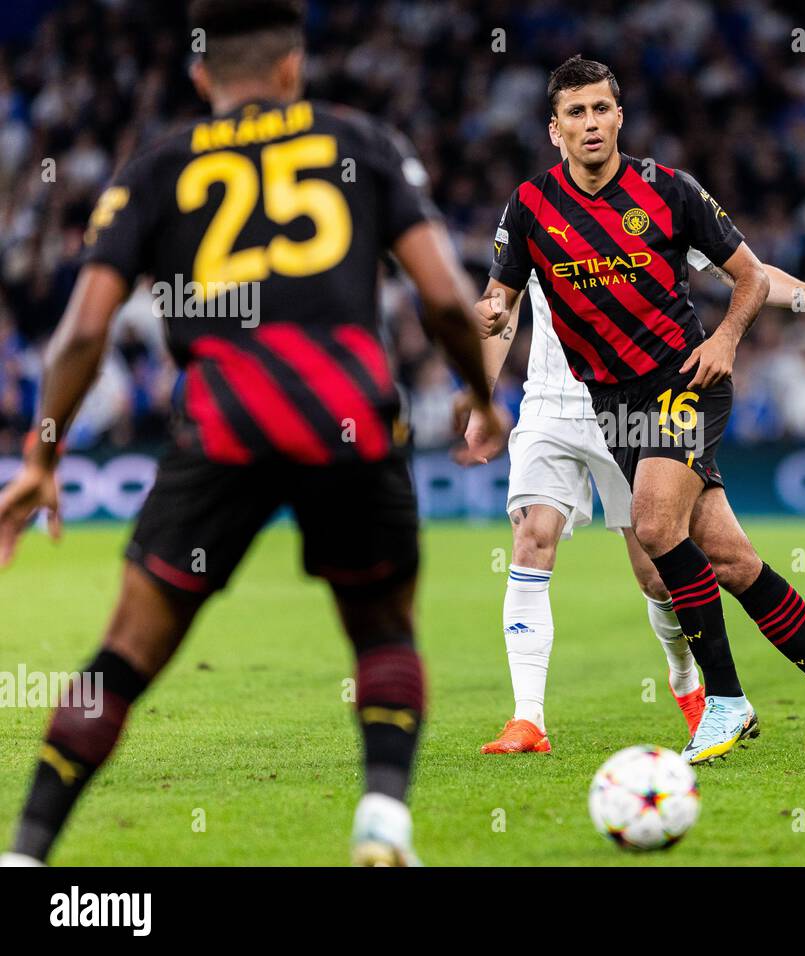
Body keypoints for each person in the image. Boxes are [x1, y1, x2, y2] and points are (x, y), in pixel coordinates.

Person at [0, 0, 505, 867]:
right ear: (290, 68)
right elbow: (445, 298)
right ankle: (383, 821)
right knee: (383, 631)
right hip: (348, 418)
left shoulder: (158, 164)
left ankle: (26, 855)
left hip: (223, 425)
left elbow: (81, 334)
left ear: (203, 76)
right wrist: (479, 393)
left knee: (126, 652)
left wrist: (43, 455)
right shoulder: (359, 140)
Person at [477, 55, 805, 766]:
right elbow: (500, 297)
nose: (590, 124)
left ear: (619, 117)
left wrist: (730, 339)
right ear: (555, 130)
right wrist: (487, 319)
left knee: (653, 524)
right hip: (611, 402)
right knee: (730, 561)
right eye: (575, 113)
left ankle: (723, 699)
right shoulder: (532, 206)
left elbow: (751, 276)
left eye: (601, 109)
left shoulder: (666, 191)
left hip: (684, 380)